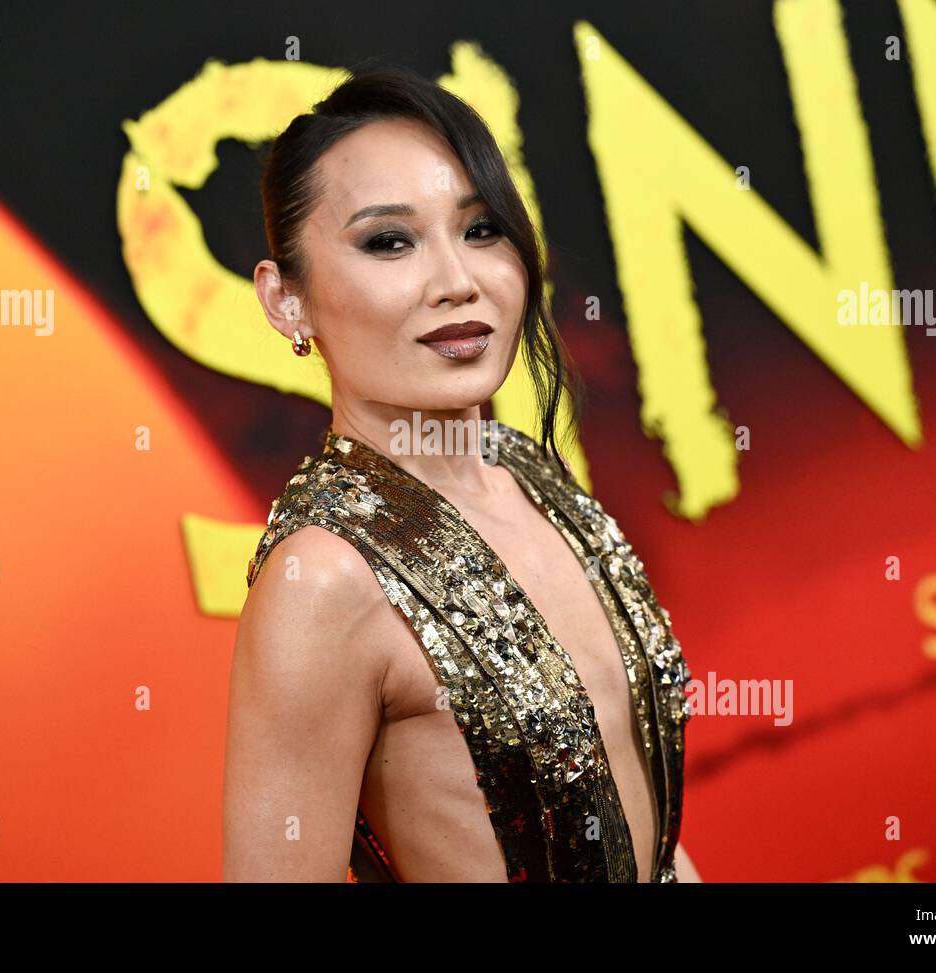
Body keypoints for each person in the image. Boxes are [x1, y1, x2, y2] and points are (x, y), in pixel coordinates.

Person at [222, 63, 698, 883]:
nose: (458, 282)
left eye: (480, 231)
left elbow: (646, 838)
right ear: (285, 300)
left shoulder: (532, 474)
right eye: (388, 241)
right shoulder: (323, 580)